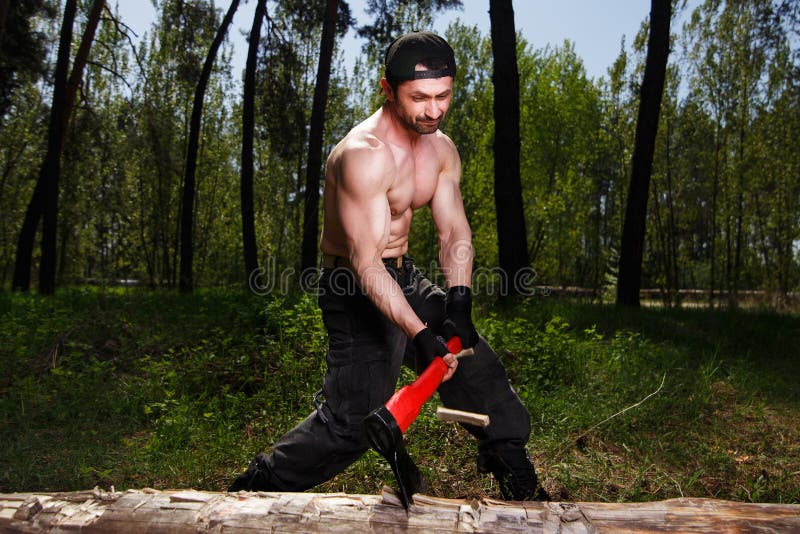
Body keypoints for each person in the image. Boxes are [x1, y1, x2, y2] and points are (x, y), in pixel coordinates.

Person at [229, 31, 546, 501]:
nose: (434, 110)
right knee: (352, 423)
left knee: (475, 362)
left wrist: (458, 302)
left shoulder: (440, 149)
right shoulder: (362, 156)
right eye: (419, 97)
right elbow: (365, 263)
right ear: (387, 89)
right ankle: (256, 487)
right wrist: (421, 335)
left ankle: (515, 472)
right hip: (353, 282)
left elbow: (454, 232)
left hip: (401, 273)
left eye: (443, 96)